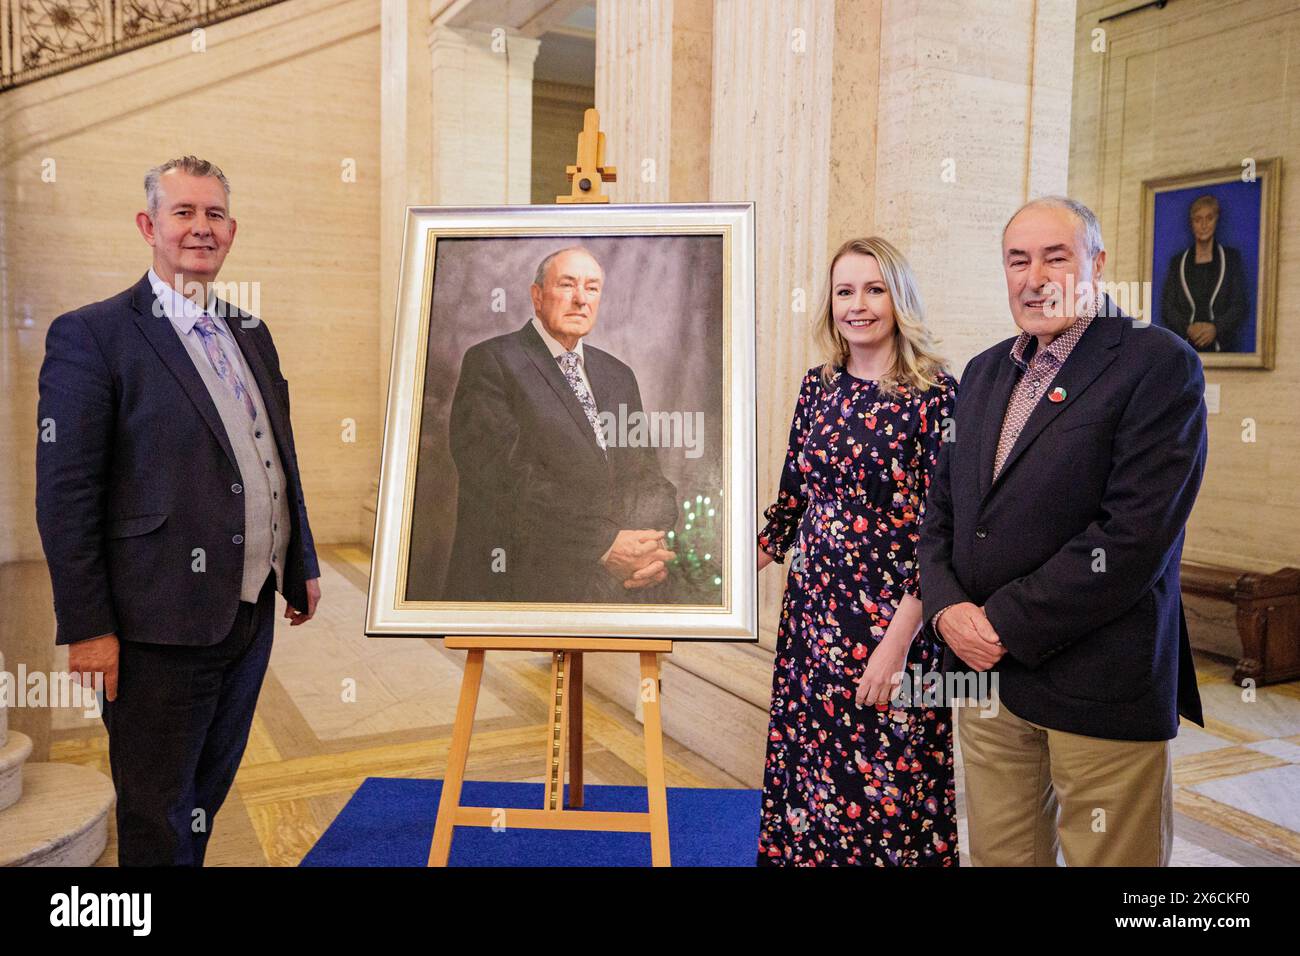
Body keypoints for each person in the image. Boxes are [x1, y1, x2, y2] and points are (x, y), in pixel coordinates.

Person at [35, 156, 322, 866]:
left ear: (232, 231)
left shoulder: (249, 330)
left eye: (215, 214)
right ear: (149, 226)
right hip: (153, 624)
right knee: (156, 811)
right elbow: (65, 494)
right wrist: (89, 626)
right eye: (184, 212)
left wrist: (301, 562)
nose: (201, 228)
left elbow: (277, 456)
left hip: (247, 613)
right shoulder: (94, 336)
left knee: (204, 795)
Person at [918, 196, 1207, 867]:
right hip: (988, 681)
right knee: (1002, 857)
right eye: (1018, 260)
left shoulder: (1156, 364)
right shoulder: (985, 371)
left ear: (1097, 264)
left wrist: (999, 623)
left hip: (1099, 679)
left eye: (1056, 256)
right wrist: (947, 611)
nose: (1034, 276)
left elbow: (1133, 537)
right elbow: (941, 516)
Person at [756, 237, 958, 866]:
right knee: (812, 779)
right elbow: (790, 504)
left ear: (899, 297)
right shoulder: (817, 387)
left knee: (889, 786)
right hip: (812, 620)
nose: (859, 305)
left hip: (894, 624)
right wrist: (718, 573)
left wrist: (897, 645)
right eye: (845, 291)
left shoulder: (936, 397)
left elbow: (942, 533)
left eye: (874, 290)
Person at [443, 246, 679, 604]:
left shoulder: (618, 375)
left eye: (592, 288)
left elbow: (645, 475)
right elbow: (504, 479)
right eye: (567, 285)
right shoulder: (492, 362)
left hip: (608, 585)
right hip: (522, 582)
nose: (581, 299)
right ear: (537, 296)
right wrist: (604, 544)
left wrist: (650, 545)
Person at [1159, 194, 1250, 352]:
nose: (1203, 225)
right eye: (1197, 219)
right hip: (1185, 350)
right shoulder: (1178, 262)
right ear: (1191, 223)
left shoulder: (1231, 259)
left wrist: (1215, 329)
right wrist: (1188, 328)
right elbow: (1168, 307)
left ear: (1217, 220)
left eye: (1209, 218)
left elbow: (1240, 304)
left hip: (1224, 350)